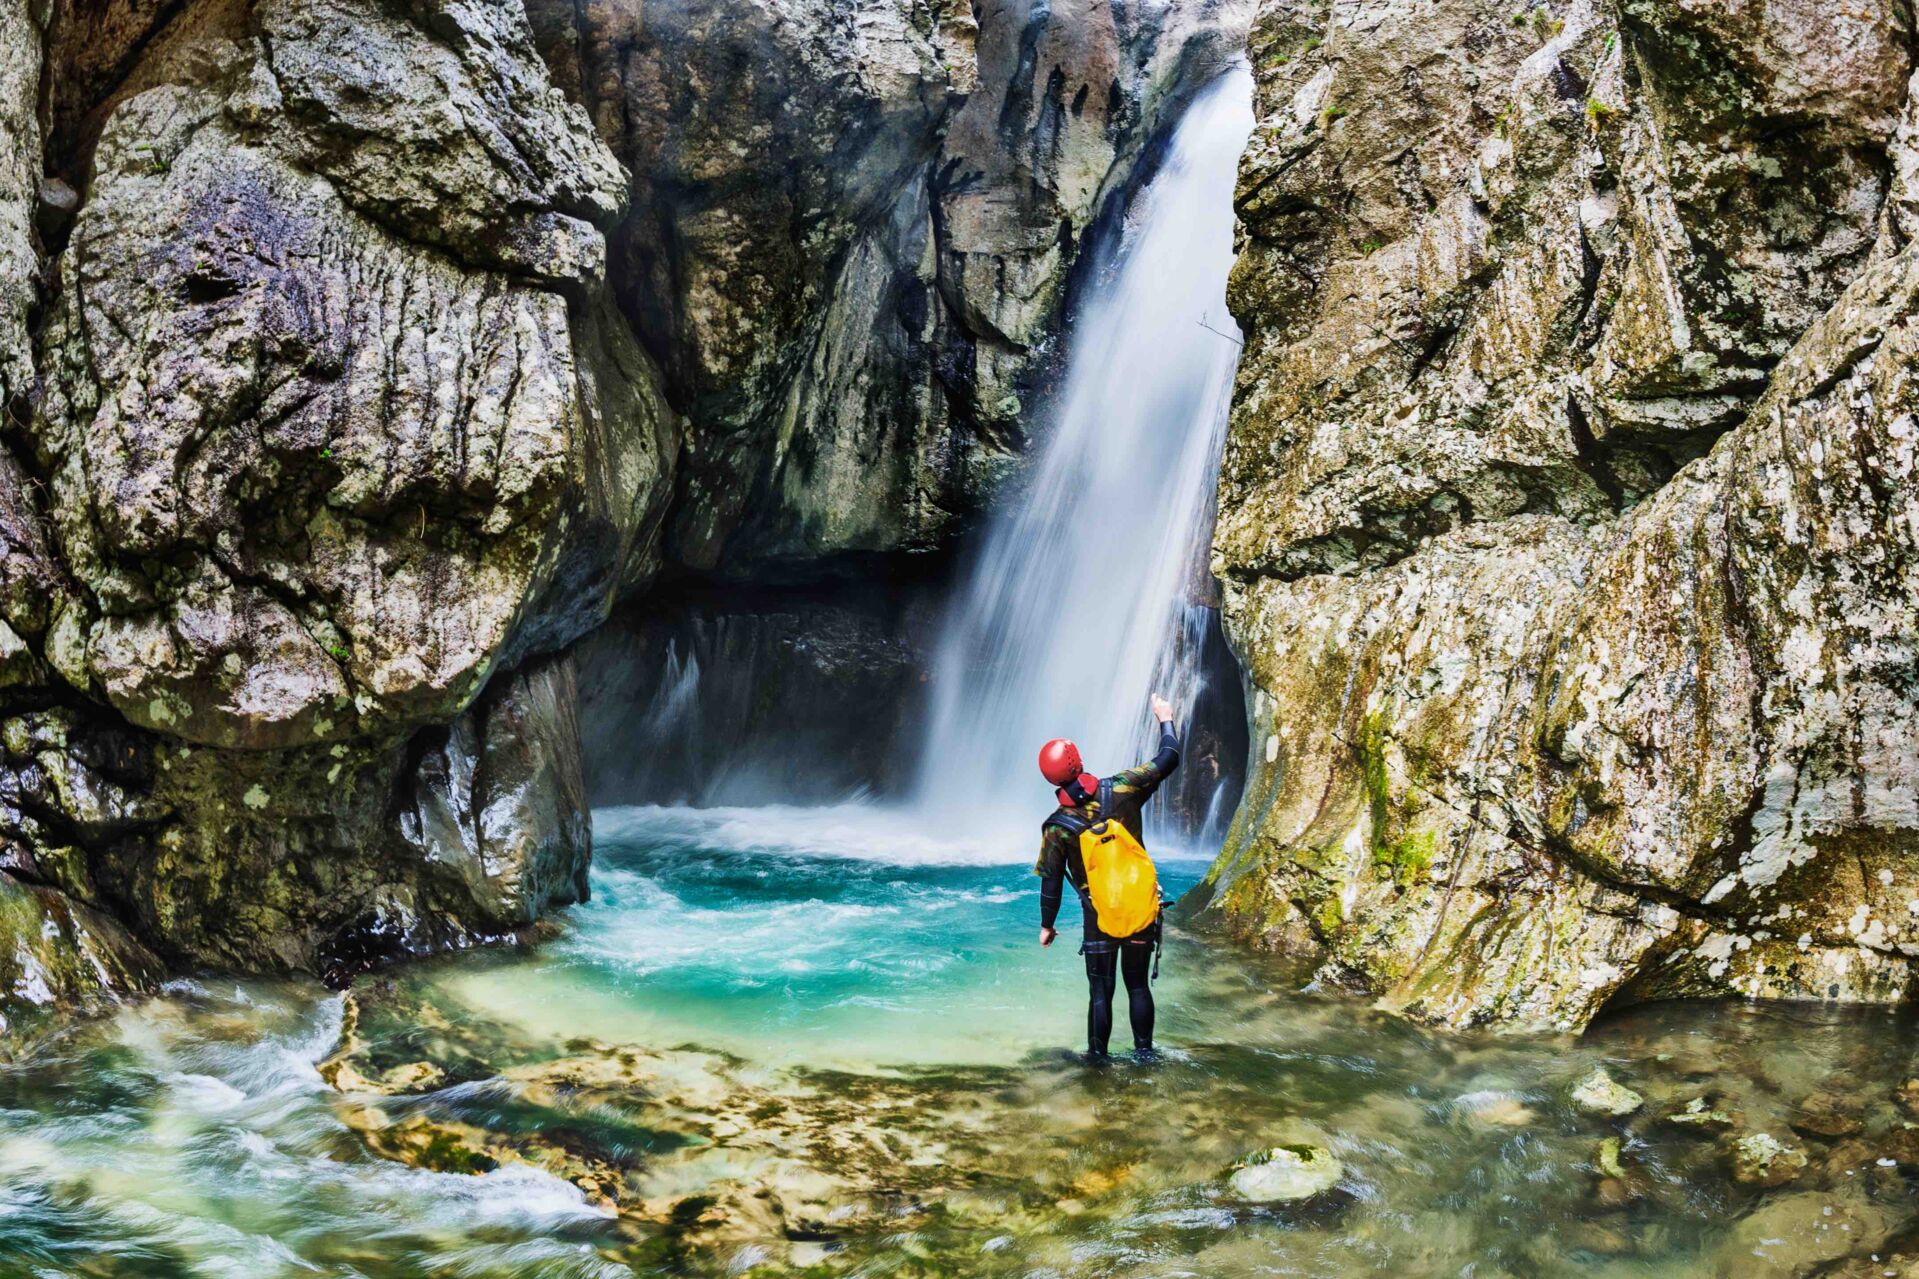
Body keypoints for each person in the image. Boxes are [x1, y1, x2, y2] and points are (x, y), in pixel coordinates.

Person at [1034, 695, 1180, 1062]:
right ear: (1078, 761)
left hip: (1097, 917)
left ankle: (1097, 1061)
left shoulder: (1057, 827)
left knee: (1100, 992)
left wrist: (1047, 925)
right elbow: (1169, 758)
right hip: (1139, 907)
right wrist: (1166, 718)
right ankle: (1145, 1056)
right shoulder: (1123, 788)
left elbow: (1050, 881)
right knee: (1137, 985)